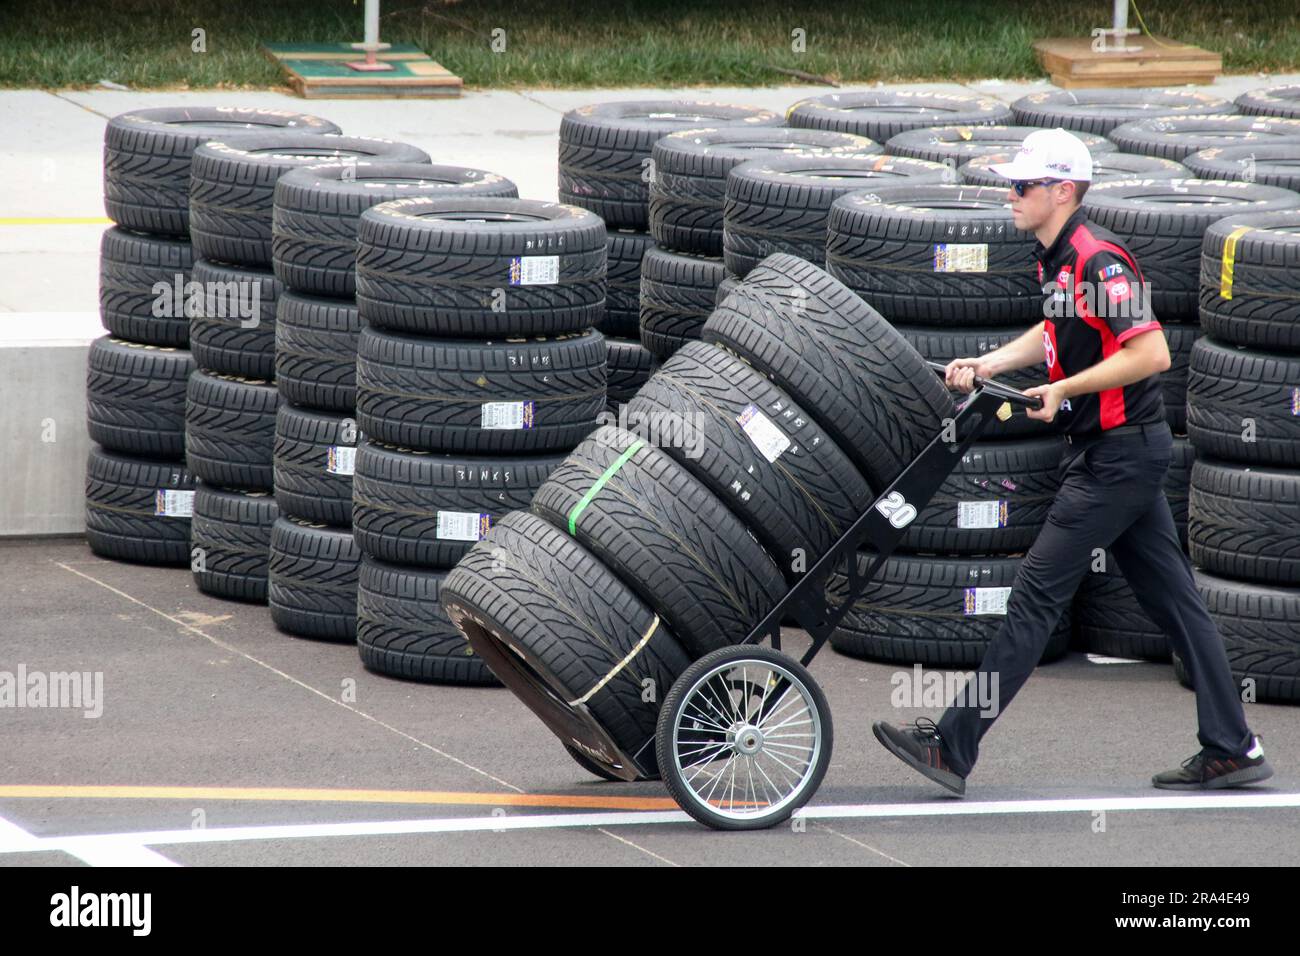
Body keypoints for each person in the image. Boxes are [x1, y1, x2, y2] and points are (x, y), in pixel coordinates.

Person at [872, 128, 1272, 794]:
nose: (1011, 195)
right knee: (1177, 606)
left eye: (1022, 186)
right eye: (1010, 184)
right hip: (1118, 455)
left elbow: (1151, 354)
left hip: (1116, 460)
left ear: (1063, 191)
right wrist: (992, 362)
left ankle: (951, 746)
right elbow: (1057, 329)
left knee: (1032, 598)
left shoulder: (1096, 259)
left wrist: (1062, 388)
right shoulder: (1056, 261)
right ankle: (1232, 745)